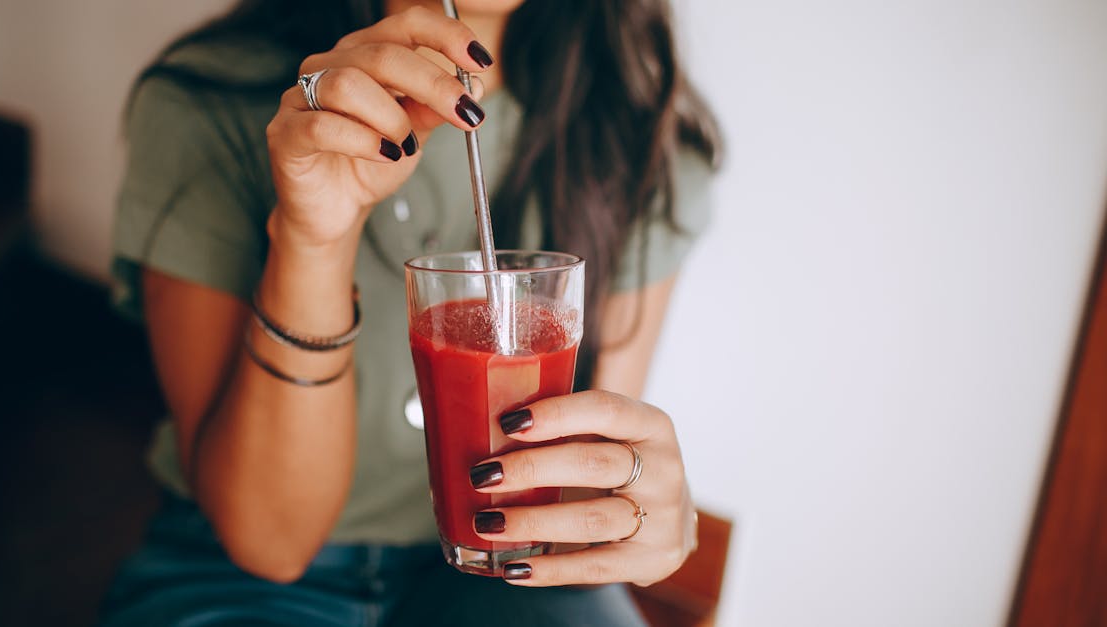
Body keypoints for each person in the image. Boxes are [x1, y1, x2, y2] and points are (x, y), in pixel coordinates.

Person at [100, 0, 720, 625]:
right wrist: (312, 240)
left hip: (504, 568)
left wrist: (649, 516)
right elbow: (270, 544)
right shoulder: (211, 98)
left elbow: (576, 489)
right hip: (232, 573)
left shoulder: (640, 140)